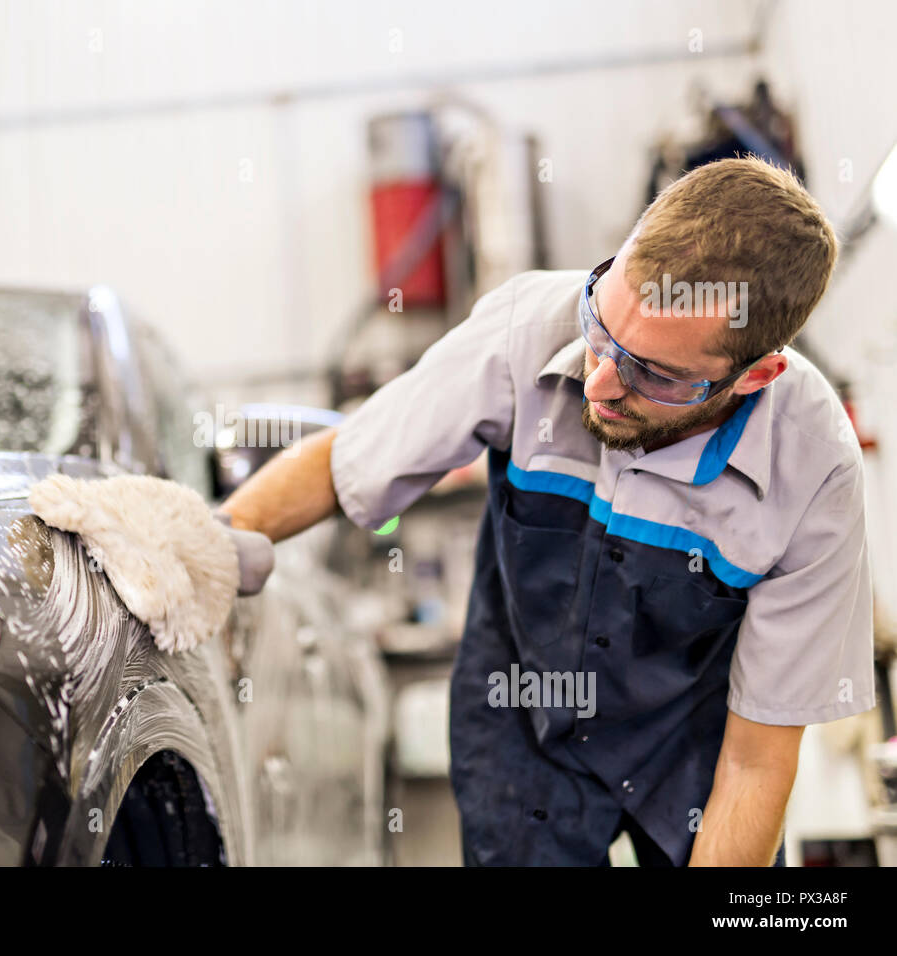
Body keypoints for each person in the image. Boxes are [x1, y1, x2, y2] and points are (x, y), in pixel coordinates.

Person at [219, 156, 875, 866]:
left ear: (755, 376)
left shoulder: (814, 468)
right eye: (601, 324)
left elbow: (756, 763)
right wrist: (208, 545)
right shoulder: (525, 326)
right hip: (520, 727)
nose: (597, 379)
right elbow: (348, 461)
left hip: (696, 742)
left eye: (654, 372)